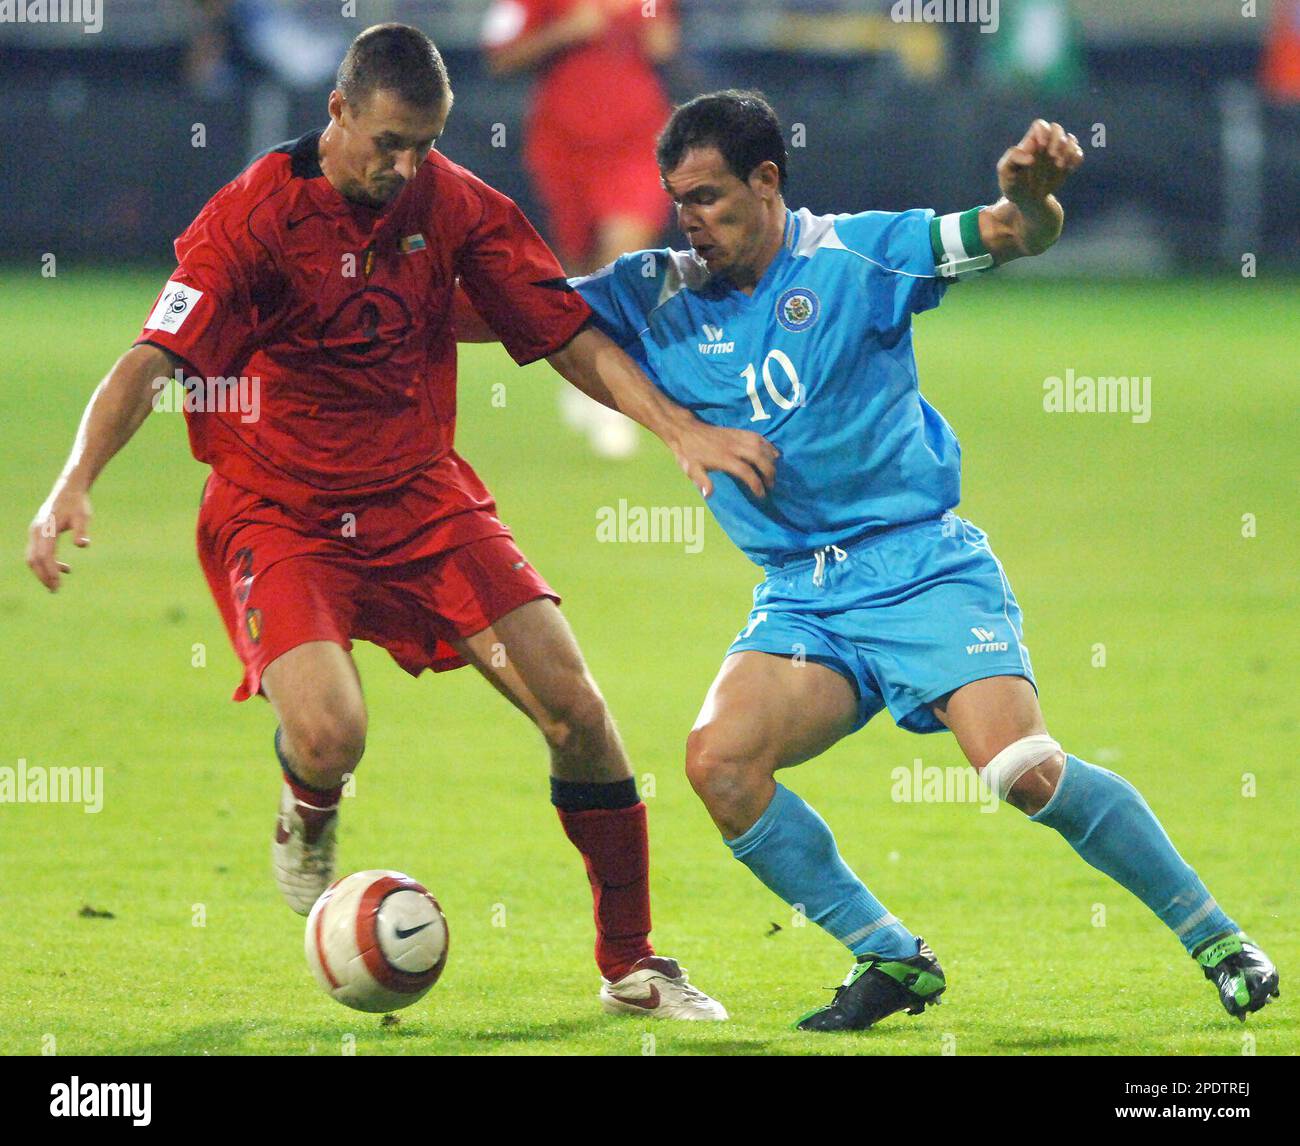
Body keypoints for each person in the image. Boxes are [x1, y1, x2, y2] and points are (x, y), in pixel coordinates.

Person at [456, 91, 1280, 1031]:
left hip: (921, 567)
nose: (691, 222)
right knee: (721, 765)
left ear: (768, 180)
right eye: (678, 201)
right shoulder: (656, 289)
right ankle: (890, 956)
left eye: (709, 198)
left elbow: (1013, 232)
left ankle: (1218, 939)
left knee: (1021, 768)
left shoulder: (858, 253)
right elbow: (516, 314)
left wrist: (1033, 198)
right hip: (803, 596)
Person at [25, 29, 780, 1022]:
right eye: (388, 143)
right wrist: (73, 482)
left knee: (577, 713)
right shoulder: (254, 215)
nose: (405, 166)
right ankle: (309, 809)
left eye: (424, 144)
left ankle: (633, 965)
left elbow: (564, 332)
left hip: (421, 500)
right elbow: (151, 359)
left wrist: (678, 428)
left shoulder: (453, 202)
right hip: (280, 509)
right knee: (330, 733)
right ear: (337, 111)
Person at [482, 0, 680, 457]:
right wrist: (565, 31)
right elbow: (500, 56)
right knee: (580, 278)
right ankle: (583, 373)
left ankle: (612, 395)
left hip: (636, 139)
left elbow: (664, 41)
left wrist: (657, 34)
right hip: (564, 144)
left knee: (621, 259)